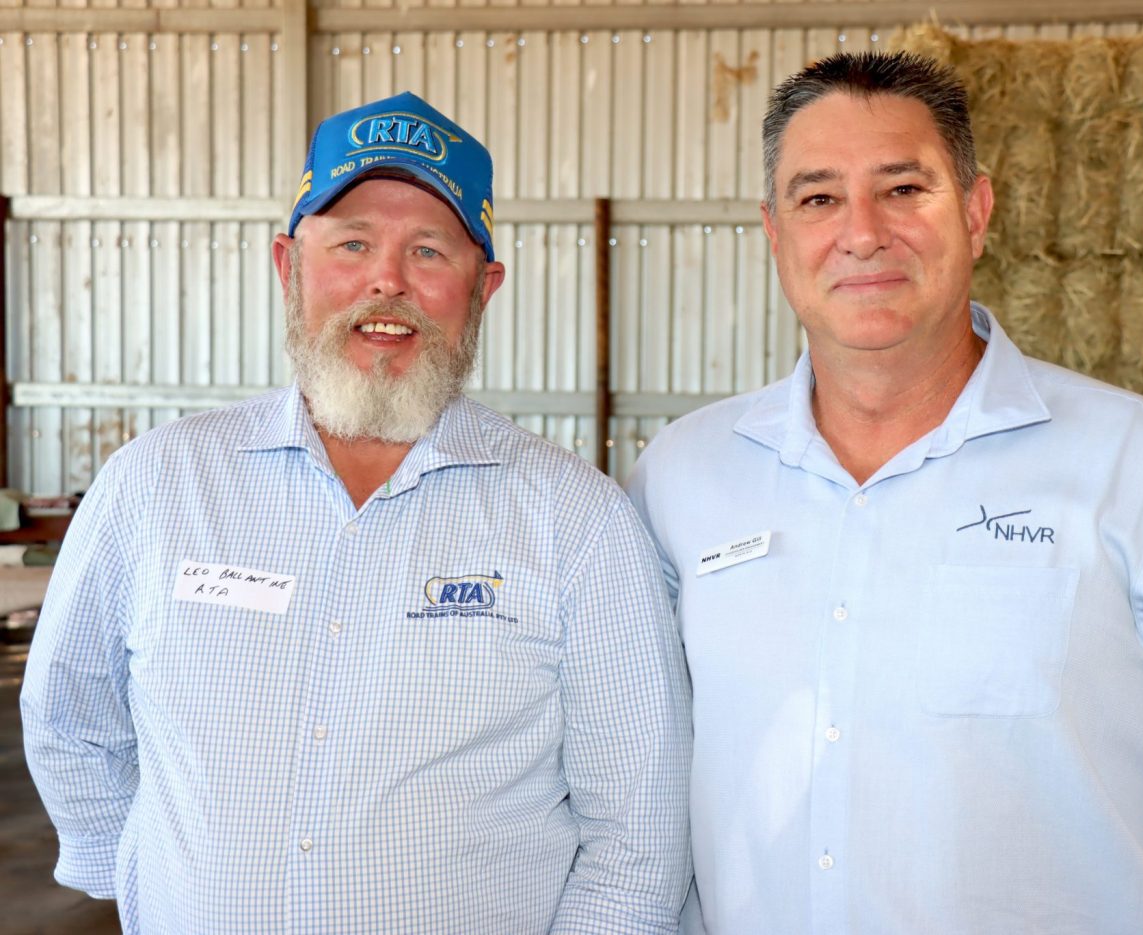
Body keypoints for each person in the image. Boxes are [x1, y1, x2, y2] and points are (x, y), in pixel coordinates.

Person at [625, 52, 1143, 934]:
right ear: (775, 234)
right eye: (818, 198)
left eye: (905, 188)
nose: (863, 231)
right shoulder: (684, 478)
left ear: (978, 212)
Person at [22, 91, 691, 934]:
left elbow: (637, 835)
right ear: (286, 267)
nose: (388, 280)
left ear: (483, 288)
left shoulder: (574, 520)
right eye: (352, 243)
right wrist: (159, 879)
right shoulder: (156, 486)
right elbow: (69, 717)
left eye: (428, 251)